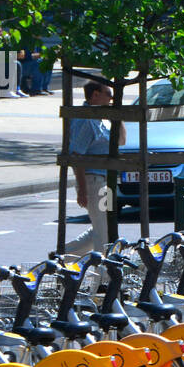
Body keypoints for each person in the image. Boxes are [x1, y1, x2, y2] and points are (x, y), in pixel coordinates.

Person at [63, 80, 126, 254]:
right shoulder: (86, 121)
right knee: (104, 232)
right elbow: (77, 156)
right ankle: (103, 277)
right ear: (95, 95)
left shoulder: (101, 120)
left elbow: (121, 141)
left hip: (106, 181)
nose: (112, 98)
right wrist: (82, 189)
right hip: (93, 180)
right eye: (109, 94)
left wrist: (117, 117)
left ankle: (61, 257)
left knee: (104, 227)